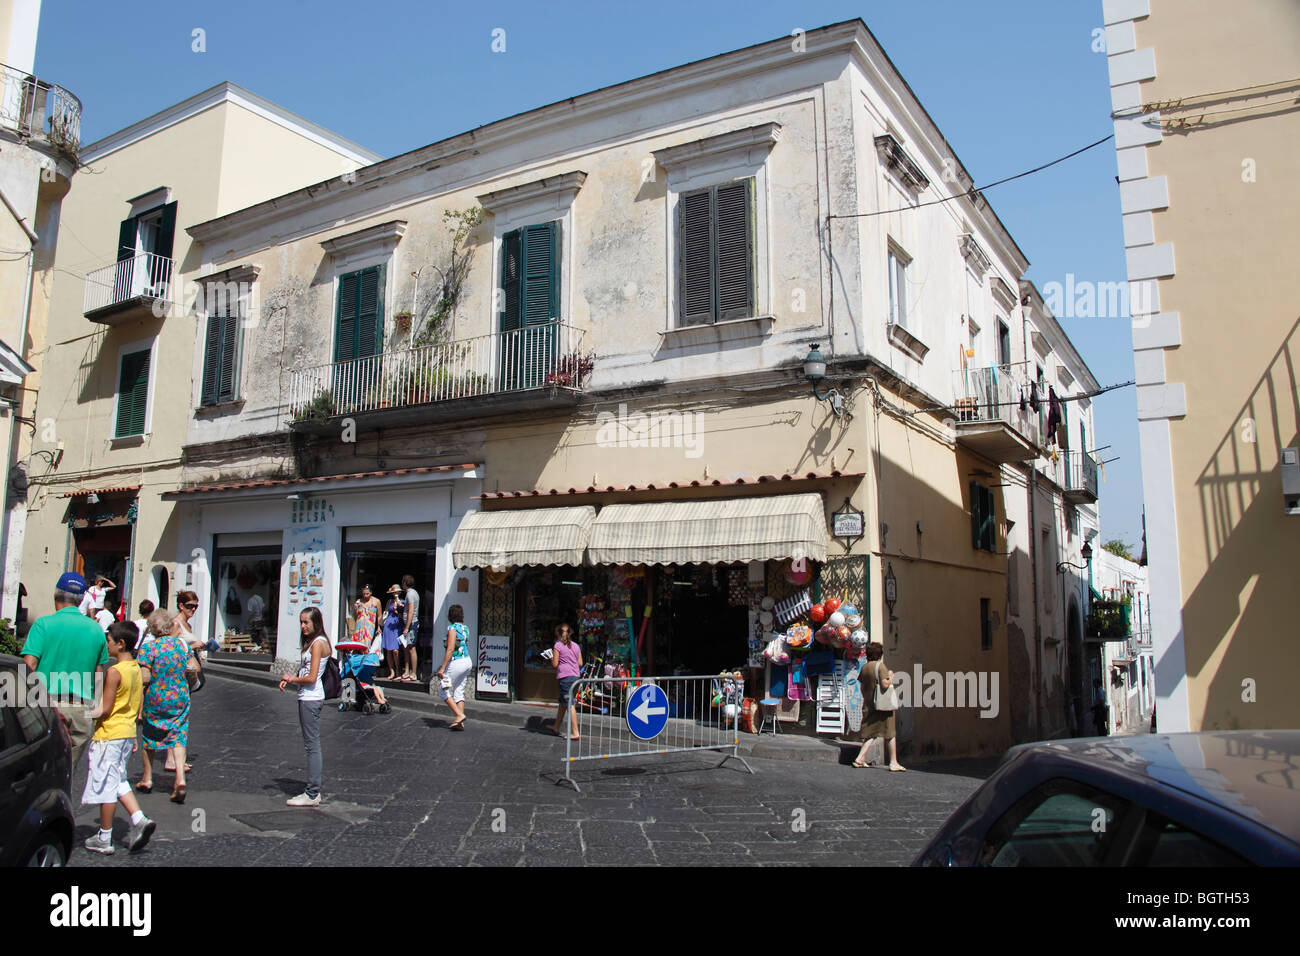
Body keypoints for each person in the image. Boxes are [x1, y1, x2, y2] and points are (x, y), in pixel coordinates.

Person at [21, 572, 109, 770]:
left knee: (37, 772)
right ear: (81, 600)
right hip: (80, 708)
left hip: (45, 706)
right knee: (65, 773)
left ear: (56, 594)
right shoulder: (96, 630)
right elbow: (98, 673)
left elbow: (29, 666)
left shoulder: (43, 625)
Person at [81, 621, 156, 855]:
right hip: (126, 733)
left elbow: (104, 709)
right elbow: (136, 703)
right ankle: (139, 818)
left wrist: (84, 712)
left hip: (109, 734)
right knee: (119, 780)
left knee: (106, 785)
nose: (107, 644)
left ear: (120, 643)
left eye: (109, 641)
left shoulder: (114, 672)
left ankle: (104, 837)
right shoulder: (135, 668)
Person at [136, 609, 192, 802]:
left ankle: (147, 778)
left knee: (149, 735)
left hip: (156, 697)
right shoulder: (181, 645)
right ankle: (180, 778)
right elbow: (192, 667)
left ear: (152, 628)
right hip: (179, 696)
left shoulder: (148, 649)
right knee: (178, 735)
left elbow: (144, 677)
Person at [278, 607, 332, 806]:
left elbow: (311, 677)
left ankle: (312, 793)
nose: (302, 627)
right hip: (308, 697)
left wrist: (292, 678)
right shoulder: (317, 643)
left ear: (315, 622)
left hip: (311, 697)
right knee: (311, 745)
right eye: (301, 622)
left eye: (306, 622)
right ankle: (312, 790)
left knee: (312, 746)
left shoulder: (318, 644)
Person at [851, 643, 905, 771]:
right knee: (890, 733)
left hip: (869, 704)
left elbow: (862, 684)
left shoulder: (864, 668)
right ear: (880, 654)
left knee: (871, 733)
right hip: (883, 706)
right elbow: (885, 684)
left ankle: (860, 758)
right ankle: (893, 762)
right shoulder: (880, 666)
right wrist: (891, 676)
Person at [434, 604, 472, 730]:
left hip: (457, 662)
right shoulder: (465, 628)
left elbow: (450, 649)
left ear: (450, 616)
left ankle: (459, 714)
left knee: (442, 689)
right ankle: (460, 724)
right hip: (467, 661)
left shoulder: (452, 628)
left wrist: (442, 668)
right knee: (458, 691)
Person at [548, 623, 583, 740]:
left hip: (565, 677)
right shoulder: (576, 646)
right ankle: (556, 726)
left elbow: (555, 664)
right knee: (564, 701)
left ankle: (575, 732)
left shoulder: (558, 646)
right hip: (575, 676)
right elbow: (580, 663)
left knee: (569, 703)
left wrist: (551, 657)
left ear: (558, 634)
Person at [399, 574, 420, 681]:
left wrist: (407, 627)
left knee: (411, 647)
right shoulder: (412, 593)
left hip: (411, 625)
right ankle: (407, 671)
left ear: (405, 583)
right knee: (406, 647)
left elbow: (411, 611)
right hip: (410, 624)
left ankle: (413, 672)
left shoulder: (410, 594)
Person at [381, 584, 405, 678]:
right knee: (388, 650)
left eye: (396, 592)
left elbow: (404, 612)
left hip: (397, 624)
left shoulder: (402, 601)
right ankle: (392, 671)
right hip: (388, 625)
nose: (395, 594)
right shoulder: (389, 601)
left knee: (396, 650)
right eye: (393, 592)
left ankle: (398, 669)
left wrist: (398, 609)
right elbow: (385, 612)